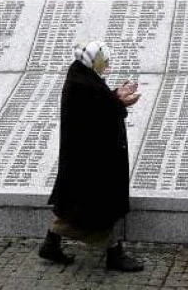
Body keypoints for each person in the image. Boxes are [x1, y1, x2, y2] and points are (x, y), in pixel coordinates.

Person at [39, 40, 144, 272]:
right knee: (102, 209)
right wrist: (119, 102)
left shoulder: (82, 78)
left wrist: (115, 96)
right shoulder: (84, 84)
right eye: (103, 61)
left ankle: (51, 243)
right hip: (92, 162)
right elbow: (99, 111)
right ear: (93, 61)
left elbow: (99, 104)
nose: (106, 66)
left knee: (75, 209)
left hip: (83, 160)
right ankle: (114, 255)